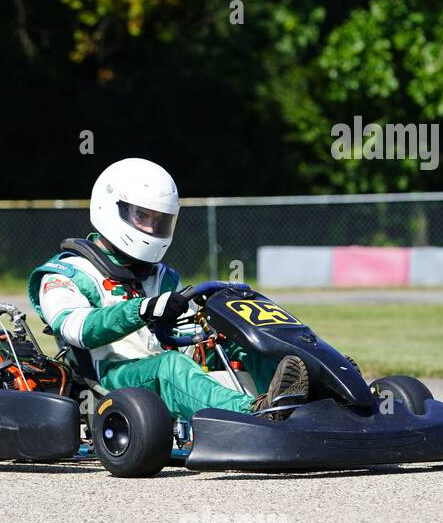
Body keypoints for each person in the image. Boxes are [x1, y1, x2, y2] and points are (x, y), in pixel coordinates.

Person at [27, 157, 309, 422]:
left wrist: (213, 330)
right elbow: (76, 328)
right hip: (110, 378)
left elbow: (179, 335)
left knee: (238, 340)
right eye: (142, 216)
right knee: (170, 366)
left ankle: (309, 396)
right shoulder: (68, 273)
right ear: (110, 207)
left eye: (159, 220)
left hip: (163, 360)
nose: (151, 227)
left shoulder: (161, 275)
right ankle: (256, 415)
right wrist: (142, 310)